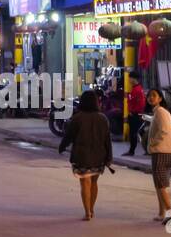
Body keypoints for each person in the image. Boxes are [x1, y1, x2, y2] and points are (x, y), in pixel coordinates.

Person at [57, 89, 113, 220]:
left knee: (85, 183)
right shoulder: (103, 118)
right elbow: (107, 140)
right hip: (99, 156)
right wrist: (109, 157)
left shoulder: (77, 118)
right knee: (94, 182)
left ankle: (87, 212)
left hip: (81, 156)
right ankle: (92, 209)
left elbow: (68, 136)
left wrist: (62, 147)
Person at [146, 88, 171, 225]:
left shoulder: (160, 112)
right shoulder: (159, 112)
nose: (151, 98)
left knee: (161, 184)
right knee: (158, 184)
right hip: (162, 151)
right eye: (149, 96)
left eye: (154, 95)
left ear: (160, 98)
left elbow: (164, 131)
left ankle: (170, 212)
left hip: (162, 152)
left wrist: (153, 143)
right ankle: (161, 212)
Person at [126, 71, 147, 156]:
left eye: (130, 78)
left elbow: (141, 104)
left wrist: (133, 112)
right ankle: (147, 149)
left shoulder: (138, 90)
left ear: (133, 78)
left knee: (134, 133)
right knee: (140, 133)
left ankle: (132, 151)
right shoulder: (135, 88)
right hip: (133, 114)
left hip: (135, 115)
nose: (129, 79)